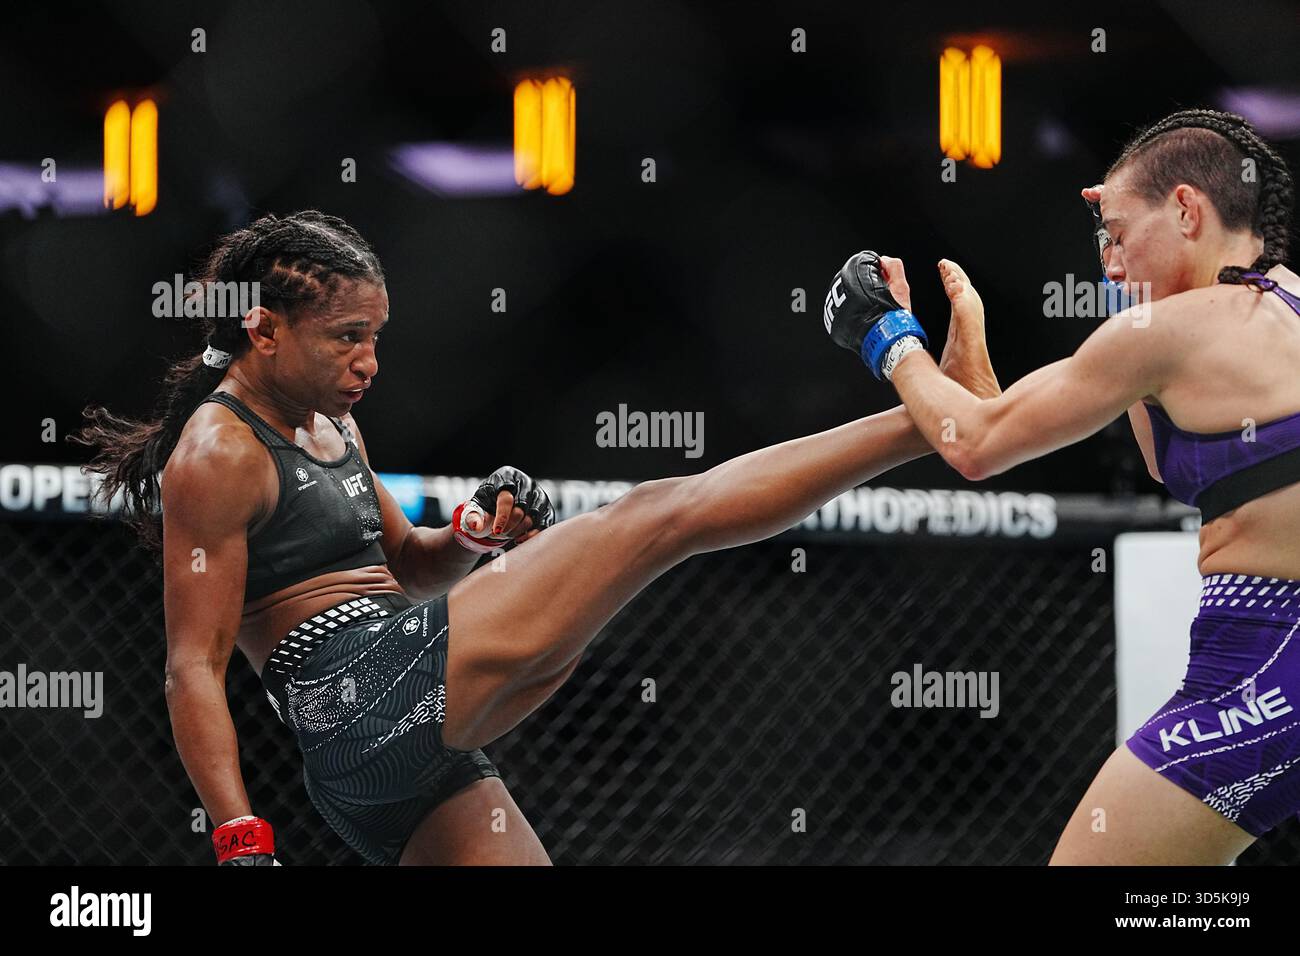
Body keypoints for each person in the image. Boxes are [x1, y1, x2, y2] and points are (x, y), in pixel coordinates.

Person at [73, 209, 1001, 865]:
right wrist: (240, 842)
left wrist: (472, 537)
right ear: (263, 330)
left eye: (378, 337)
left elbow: (404, 565)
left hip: (388, 745)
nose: (370, 363)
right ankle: (932, 414)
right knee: (657, 516)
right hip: (363, 694)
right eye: (346, 338)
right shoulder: (216, 451)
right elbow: (191, 665)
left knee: (657, 523)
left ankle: (938, 414)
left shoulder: (330, 418)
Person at [826, 109, 1298, 864]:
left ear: (1186, 210)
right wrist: (1127, 245)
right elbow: (1124, 451)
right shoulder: (1274, 310)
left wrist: (887, 338)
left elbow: (973, 446)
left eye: (1117, 233)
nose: (1109, 265)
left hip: (1270, 663)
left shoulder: (1174, 333)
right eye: (1101, 241)